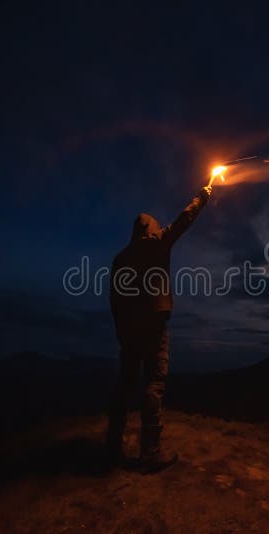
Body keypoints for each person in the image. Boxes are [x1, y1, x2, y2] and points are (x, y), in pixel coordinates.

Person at [107, 184, 212, 473]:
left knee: (125, 385)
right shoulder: (158, 243)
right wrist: (202, 197)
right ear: (151, 227)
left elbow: (115, 299)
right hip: (153, 325)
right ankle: (150, 454)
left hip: (128, 330)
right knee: (154, 383)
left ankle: (112, 445)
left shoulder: (120, 259)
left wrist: (120, 331)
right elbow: (183, 221)